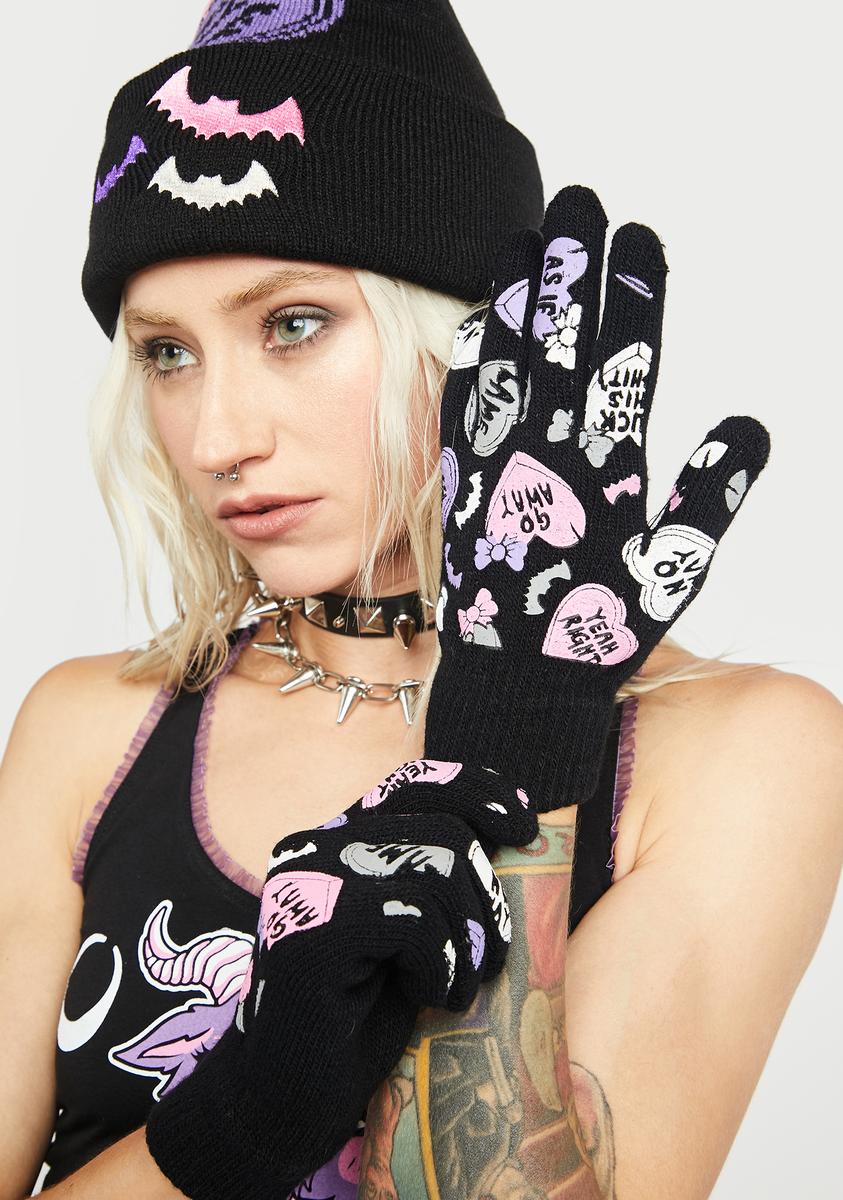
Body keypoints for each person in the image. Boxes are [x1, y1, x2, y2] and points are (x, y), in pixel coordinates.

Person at [2, 3, 842, 1198]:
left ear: (471, 341)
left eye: (294, 325)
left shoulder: (738, 754)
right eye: (167, 353)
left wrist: (518, 745)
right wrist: (249, 1111)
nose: (218, 438)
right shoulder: (89, 735)